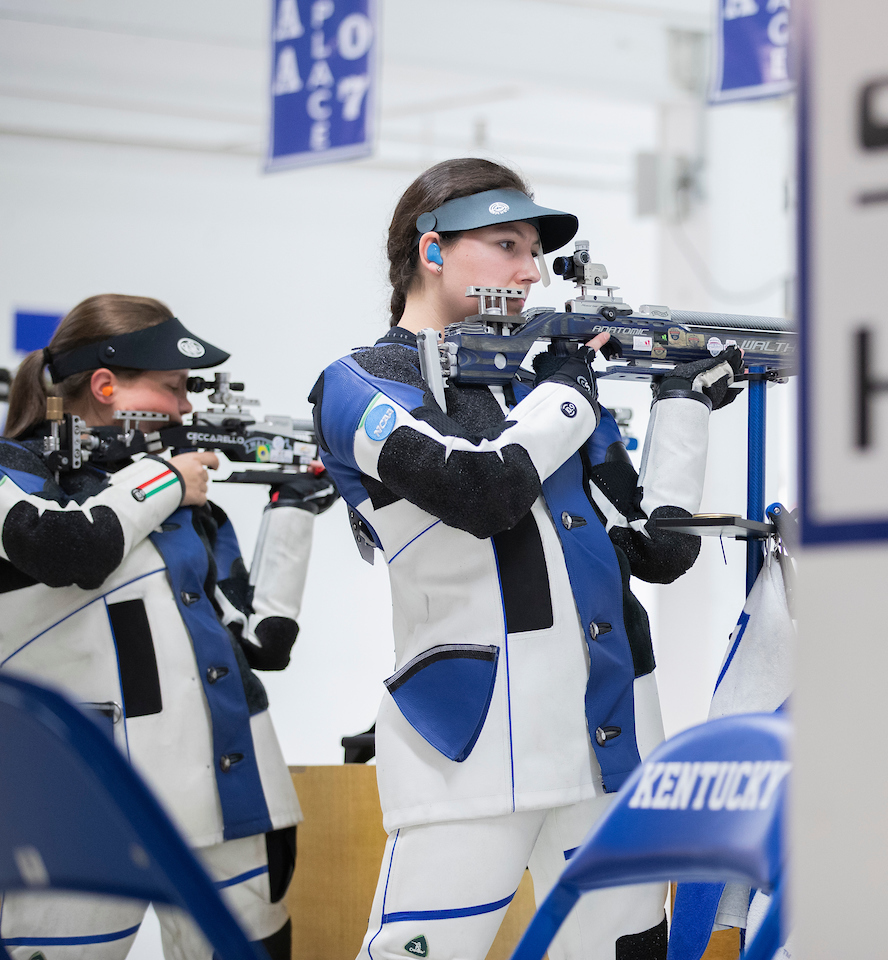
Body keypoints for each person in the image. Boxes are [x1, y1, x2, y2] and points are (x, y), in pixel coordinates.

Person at [310, 158, 743, 960]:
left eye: (534, 251)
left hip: (610, 734)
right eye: (507, 244)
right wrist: (571, 392)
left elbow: (657, 552)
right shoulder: (360, 382)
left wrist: (683, 403)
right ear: (432, 250)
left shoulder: (543, 387)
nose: (531, 270)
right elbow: (478, 491)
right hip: (472, 745)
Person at [0, 295, 335, 960]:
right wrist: (163, 479)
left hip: (227, 794)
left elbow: (264, 646)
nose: (187, 410)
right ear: (105, 385)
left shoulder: (177, 509)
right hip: (75, 804)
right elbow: (68, 550)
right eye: (175, 388)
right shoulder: (22, 473)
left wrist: (293, 510)